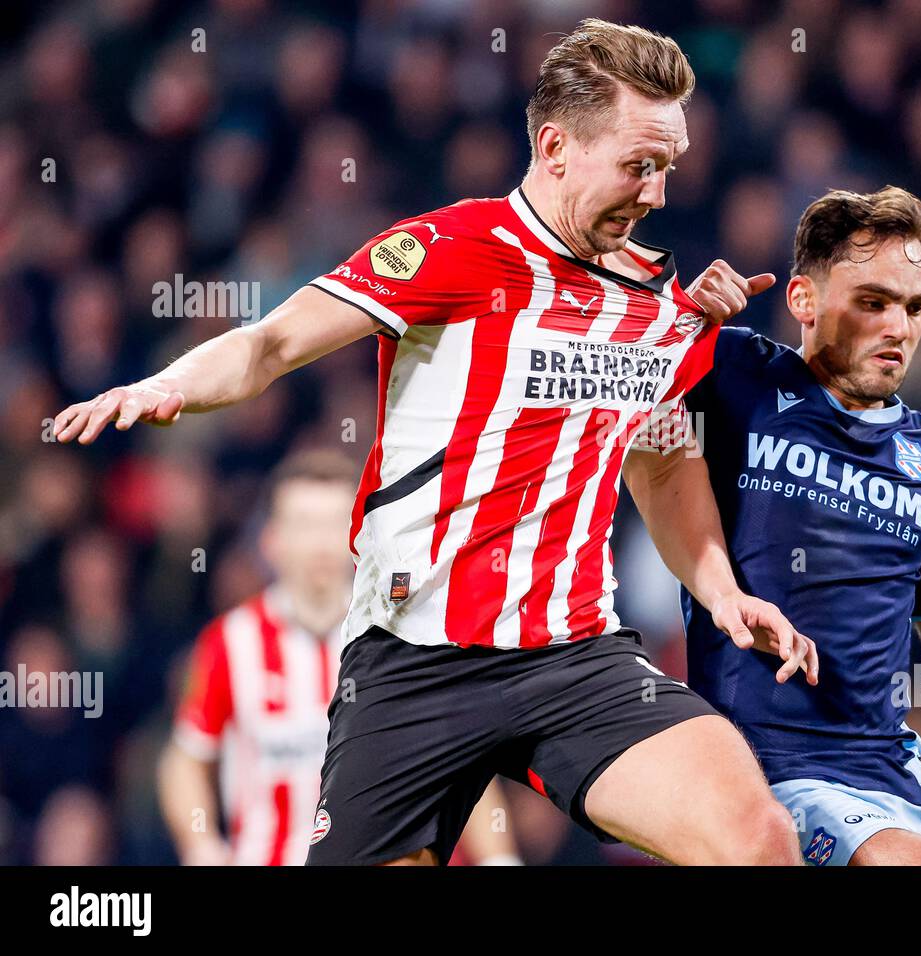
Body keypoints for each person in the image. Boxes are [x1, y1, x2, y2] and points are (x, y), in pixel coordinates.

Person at [57, 19, 816, 866]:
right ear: (556, 146)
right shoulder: (455, 248)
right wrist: (168, 384)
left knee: (757, 838)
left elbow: (661, 463)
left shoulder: (658, 303)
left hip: (577, 657)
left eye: (667, 166)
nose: (658, 192)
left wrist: (719, 590)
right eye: (639, 165)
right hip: (413, 665)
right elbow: (268, 345)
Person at [633, 187, 921, 865]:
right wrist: (676, 325)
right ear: (803, 300)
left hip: (901, 789)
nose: (899, 328)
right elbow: (618, 410)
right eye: (874, 301)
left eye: (915, 308)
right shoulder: (736, 375)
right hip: (764, 779)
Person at [157, 449, 523, 865]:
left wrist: (500, 858)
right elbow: (186, 757)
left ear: (359, 536)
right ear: (271, 540)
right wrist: (200, 844)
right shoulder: (230, 643)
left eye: (334, 524)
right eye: (304, 525)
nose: (319, 543)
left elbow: (458, 759)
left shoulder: (404, 640)